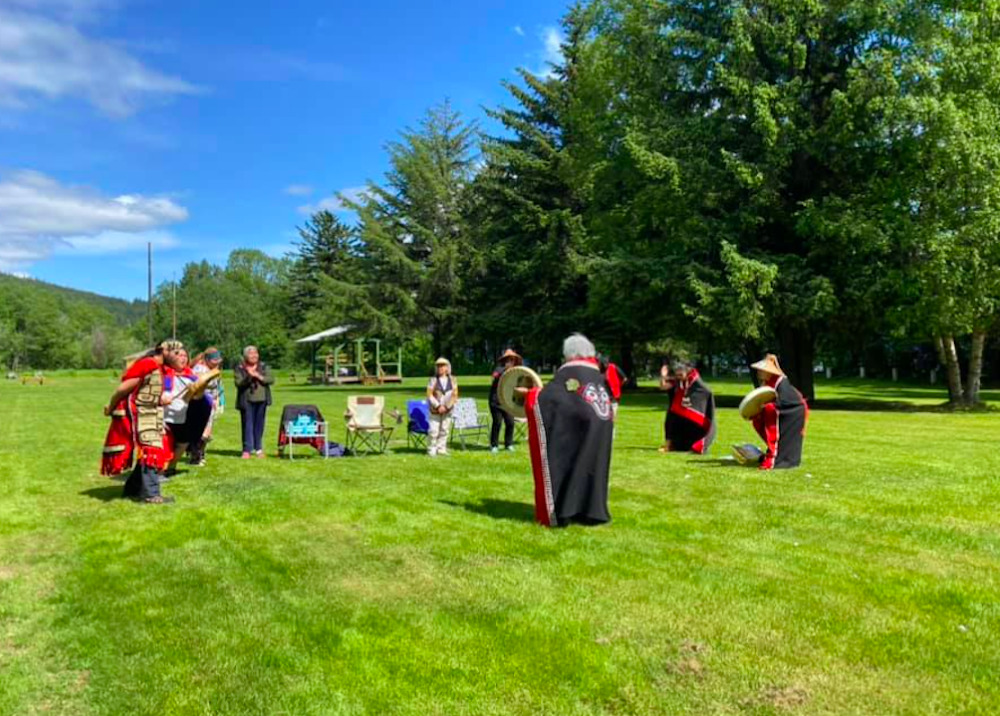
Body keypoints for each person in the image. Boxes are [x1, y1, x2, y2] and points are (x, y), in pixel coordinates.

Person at [521, 333, 614, 527]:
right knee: (590, 467)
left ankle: (564, 509)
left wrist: (531, 395)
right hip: (601, 423)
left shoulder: (571, 371)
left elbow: (550, 397)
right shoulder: (596, 372)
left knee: (567, 463)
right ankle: (589, 510)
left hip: (578, 426)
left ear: (569, 354)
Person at [101, 340, 184, 504]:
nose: (179, 357)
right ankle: (150, 495)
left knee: (151, 450)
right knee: (151, 450)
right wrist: (111, 407)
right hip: (140, 414)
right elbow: (123, 388)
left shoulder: (162, 369)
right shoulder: (147, 364)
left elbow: (149, 392)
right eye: (176, 353)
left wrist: (160, 400)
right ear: (163, 351)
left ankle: (132, 489)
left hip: (152, 412)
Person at [746, 353, 808, 469]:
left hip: (793, 413)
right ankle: (774, 452)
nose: (759, 372)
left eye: (761, 370)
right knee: (757, 420)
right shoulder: (768, 382)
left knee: (770, 414)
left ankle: (775, 457)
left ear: (769, 371)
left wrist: (767, 408)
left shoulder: (781, 383)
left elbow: (785, 402)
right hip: (785, 411)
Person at [659, 359, 716, 454]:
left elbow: (706, 392)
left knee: (693, 424)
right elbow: (663, 386)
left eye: (681, 375)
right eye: (677, 375)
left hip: (692, 417)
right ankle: (669, 445)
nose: (679, 377)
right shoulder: (678, 380)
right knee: (671, 419)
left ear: (688, 371)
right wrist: (663, 376)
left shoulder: (696, 382)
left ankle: (694, 446)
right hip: (677, 410)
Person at [162, 347, 199, 476]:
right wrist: (164, 398)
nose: (183, 358)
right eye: (179, 355)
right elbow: (166, 391)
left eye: (185, 356)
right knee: (164, 443)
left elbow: (198, 397)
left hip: (181, 415)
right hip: (165, 415)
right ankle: (160, 469)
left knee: (183, 443)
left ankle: (172, 465)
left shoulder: (191, 377)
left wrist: (193, 390)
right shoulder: (166, 374)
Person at [234, 345, 275, 458]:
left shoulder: (263, 366)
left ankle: (258, 449)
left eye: (256, 353)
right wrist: (249, 376)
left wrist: (257, 375)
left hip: (262, 399)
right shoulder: (240, 367)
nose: (254, 355)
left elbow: (271, 379)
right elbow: (238, 383)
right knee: (247, 424)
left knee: (259, 425)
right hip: (246, 400)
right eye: (251, 353)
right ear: (246, 356)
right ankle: (247, 449)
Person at [189, 347, 224, 466]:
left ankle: (201, 454)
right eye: (215, 360)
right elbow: (198, 385)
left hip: (211, 403)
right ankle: (195, 456)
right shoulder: (200, 368)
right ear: (208, 359)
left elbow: (217, 387)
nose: (217, 362)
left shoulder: (214, 369)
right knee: (201, 431)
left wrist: (217, 400)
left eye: (219, 360)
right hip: (201, 402)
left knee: (207, 431)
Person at [488, 348, 522, 453]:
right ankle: (494, 445)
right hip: (496, 401)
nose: (510, 361)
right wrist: (504, 371)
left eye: (512, 359)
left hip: (508, 402)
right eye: (509, 359)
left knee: (510, 422)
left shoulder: (516, 371)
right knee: (497, 422)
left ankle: (508, 444)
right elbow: (494, 376)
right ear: (505, 360)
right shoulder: (499, 368)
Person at [426, 357, 458, 457]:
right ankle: (431, 448)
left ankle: (441, 448)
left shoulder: (453, 380)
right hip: (435, 410)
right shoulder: (433, 380)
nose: (440, 368)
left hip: (448, 410)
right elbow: (429, 394)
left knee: (445, 429)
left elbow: (455, 395)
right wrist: (438, 405)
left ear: (447, 368)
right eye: (438, 366)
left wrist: (447, 407)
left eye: (442, 366)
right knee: (433, 430)